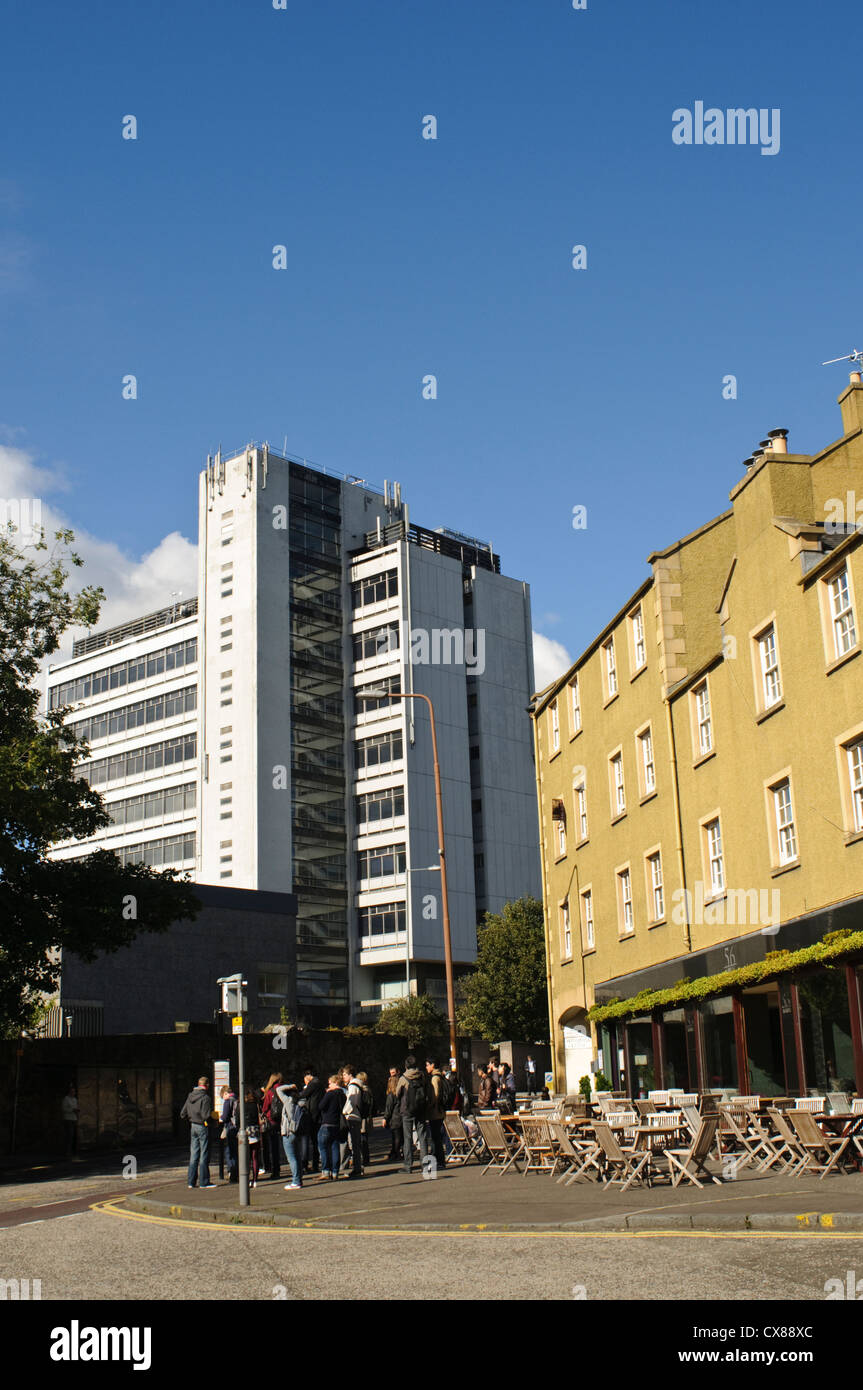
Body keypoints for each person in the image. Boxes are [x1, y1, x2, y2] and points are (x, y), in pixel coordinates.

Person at [395, 1055, 431, 1175]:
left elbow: (397, 1093)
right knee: (422, 1136)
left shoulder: (403, 1078)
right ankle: (425, 1164)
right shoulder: (422, 1076)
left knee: (408, 1137)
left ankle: (408, 1165)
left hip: (407, 1109)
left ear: (406, 1065)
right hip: (421, 1109)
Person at [181, 1076, 214, 1189]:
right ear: (207, 1085)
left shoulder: (190, 1096)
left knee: (194, 1154)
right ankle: (204, 1182)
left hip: (193, 1126)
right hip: (202, 1126)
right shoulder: (205, 1098)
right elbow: (206, 1115)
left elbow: (182, 1113)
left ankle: (191, 1181)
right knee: (204, 1154)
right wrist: (213, 1120)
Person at [276, 1081, 308, 1190]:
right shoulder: (301, 1102)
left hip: (288, 1131)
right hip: (298, 1131)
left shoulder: (288, 1102)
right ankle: (299, 1179)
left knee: (291, 1158)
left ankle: (295, 1181)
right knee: (297, 1157)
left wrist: (290, 1086)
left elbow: (278, 1089)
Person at [317, 1074, 344, 1180]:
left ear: (335, 1083)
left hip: (327, 1123)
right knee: (335, 1147)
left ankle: (326, 1171)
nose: (329, 1085)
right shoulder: (342, 1094)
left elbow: (321, 1106)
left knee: (323, 1147)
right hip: (337, 1123)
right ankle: (335, 1171)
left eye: (330, 1083)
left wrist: (327, 1094)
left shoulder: (330, 1094)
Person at [297, 1070, 325, 1173]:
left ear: (308, 1076)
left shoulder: (313, 1083)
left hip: (312, 1116)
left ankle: (309, 1164)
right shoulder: (319, 1083)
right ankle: (315, 1163)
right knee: (315, 1141)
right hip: (317, 1115)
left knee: (310, 1140)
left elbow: (303, 1094)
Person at [341, 1065, 364, 1179]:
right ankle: (358, 1166)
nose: (343, 1077)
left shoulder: (353, 1086)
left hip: (353, 1116)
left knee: (354, 1143)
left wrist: (344, 1112)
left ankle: (357, 1168)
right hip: (356, 1115)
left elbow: (352, 1102)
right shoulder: (356, 1085)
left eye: (345, 1074)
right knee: (354, 1143)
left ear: (350, 1075)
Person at [260, 1072, 283, 1180]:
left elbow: (265, 1108)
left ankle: (275, 1170)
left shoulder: (270, 1092)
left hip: (272, 1120)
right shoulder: (284, 1089)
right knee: (280, 1146)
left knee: (272, 1146)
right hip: (283, 1120)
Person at [425, 1058, 447, 1171]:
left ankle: (437, 1160)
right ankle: (440, 1160)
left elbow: (436, 1095)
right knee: (437, 1137)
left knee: (435, 1138)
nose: (426, 1067)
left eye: (428, 1065)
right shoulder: (440, 1077)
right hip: (440, 1111)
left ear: (433, 1065)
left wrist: (429, 1105)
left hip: (435, 1112)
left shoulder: (434, 1078)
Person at [383, 1067, 403, 1160]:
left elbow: (389, 1107)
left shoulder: (391, 1095)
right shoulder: (401, 1093)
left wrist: (385, 1118)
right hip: (401, 1115)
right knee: (400, 1136)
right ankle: (396, 1152)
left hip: (394, 1117)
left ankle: (396, 1153)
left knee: (396, 1136)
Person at [221, 1084, 239, 1183]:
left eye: (222, 1096)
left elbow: (225, 1116)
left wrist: (220, 1117)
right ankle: (236, 1173)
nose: (223, 1099)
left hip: (230, 1127)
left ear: (225, 1093)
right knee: (236, 1151)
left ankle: (232, 1174)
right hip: (237, 1127)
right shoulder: (237, 1099)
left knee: (230, 1152)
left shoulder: (228, 1101)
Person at [244, 1087, 262, 1186]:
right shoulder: (256, 1105)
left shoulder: (242, 1105)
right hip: (255, 1130)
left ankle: (246, 1177)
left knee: (246, 1157)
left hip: (246, 1130)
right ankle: (255, 1179)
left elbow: (238, 1119)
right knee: (255, 1156)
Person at [357, 1070, 374, 1167]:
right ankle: (365, 1158)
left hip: (364, 1118)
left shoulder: (365, 1091)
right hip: (366, 1117)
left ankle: (365, 1159)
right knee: (364, 1139)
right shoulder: (368, 1090)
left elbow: (365, 1106)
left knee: (363, 1140)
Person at [61, 1084, 79, 1158]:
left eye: (74, 1091)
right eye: (72, 1091)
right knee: (69, 1135)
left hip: (74, 1118)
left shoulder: (75, 1099)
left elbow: (76, 1107)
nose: (73, 1093)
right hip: (68, 1119)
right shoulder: (66, 1099)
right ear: (69, 1092)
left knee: (73, 1136)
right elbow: (63, 1109)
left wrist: (76, 1110)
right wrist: (72, 1110)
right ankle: (67, 1151)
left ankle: (71, 1151)